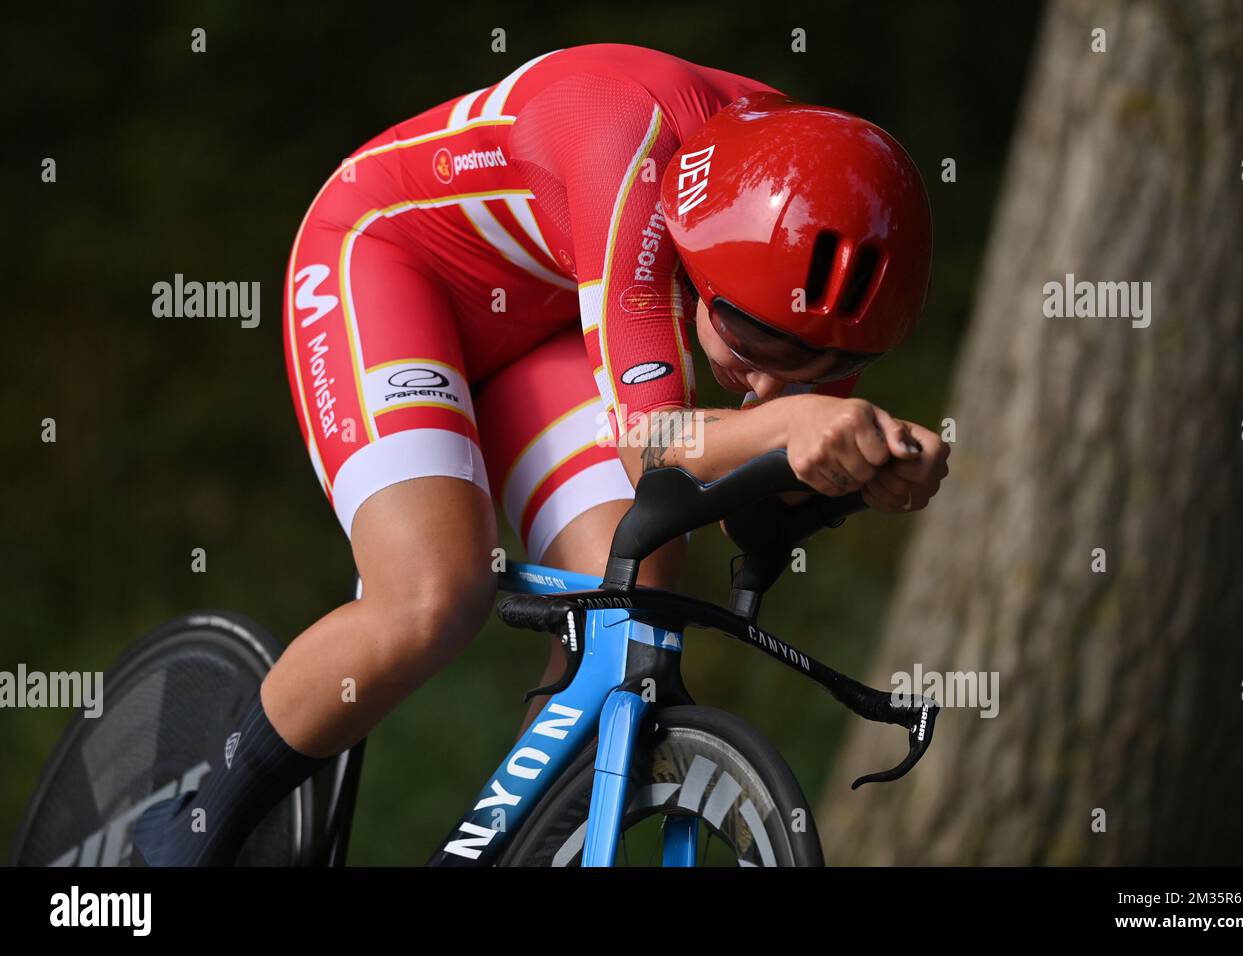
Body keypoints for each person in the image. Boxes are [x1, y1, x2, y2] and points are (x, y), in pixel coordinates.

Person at [133, 42, 949, 866]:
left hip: (548, 314)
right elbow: (654, 447)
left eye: (808, 365)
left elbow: (747, 512)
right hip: (391, 261)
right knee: (431, 595)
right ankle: (186, 839)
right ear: (704, 264)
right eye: (748, 339)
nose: (764, 376)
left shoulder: (824, 233)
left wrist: (860, 474)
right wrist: (790, 425)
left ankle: (511, 849)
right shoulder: (627, 142)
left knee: (633, 599)